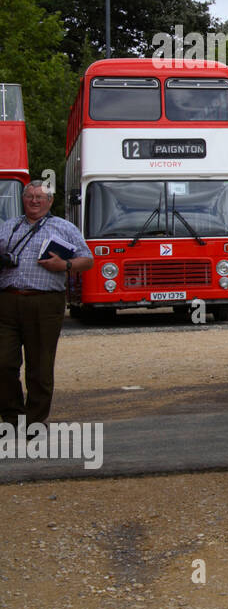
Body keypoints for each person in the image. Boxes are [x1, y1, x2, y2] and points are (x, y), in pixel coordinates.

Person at [0, 182, 93, 427]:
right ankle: (11, 420)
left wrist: (64, 266)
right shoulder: (9, 226)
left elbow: (88, 260)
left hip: (45, 302)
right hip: (7, 300)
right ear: (23, 199)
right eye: (29, 196)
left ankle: (34, 423)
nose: (34, 201)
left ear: (50, 201)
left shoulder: (63, 227)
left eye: (40, 197)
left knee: (39, 367)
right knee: (3, 363)